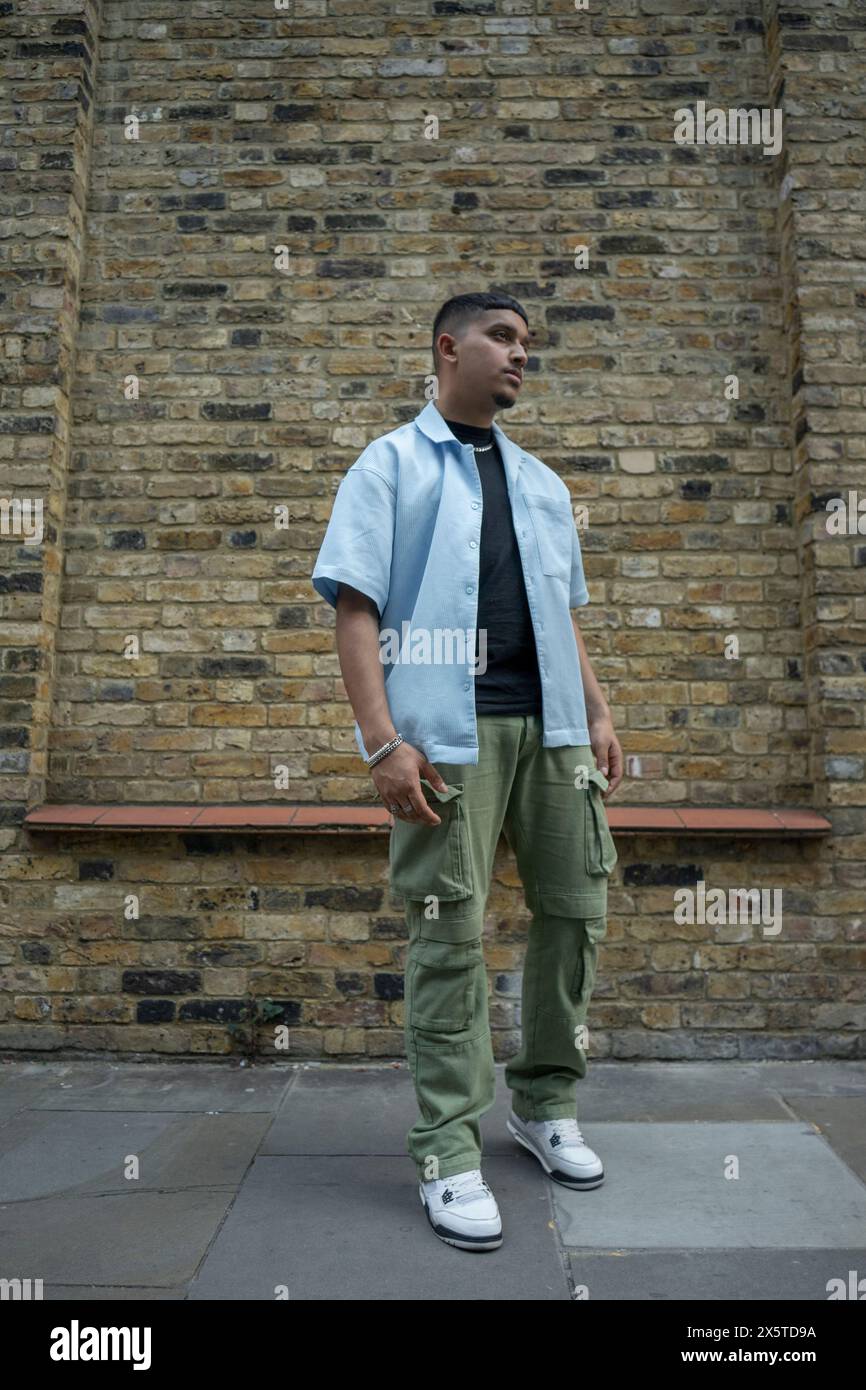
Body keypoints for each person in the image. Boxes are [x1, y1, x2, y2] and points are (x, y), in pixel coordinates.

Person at [311, 290, 623, 1253]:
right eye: (502, 337)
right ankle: (449, 1150)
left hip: (556, 731)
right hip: (448, 737)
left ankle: (544, 1105)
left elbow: (564, 613)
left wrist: (601, 710)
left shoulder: (539, 480)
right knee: (449, 937)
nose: (521, 355)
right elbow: (354, 608)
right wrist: (380, 741)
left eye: (527, 342)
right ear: (450, 348)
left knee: (576, 914)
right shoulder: (391, 464)